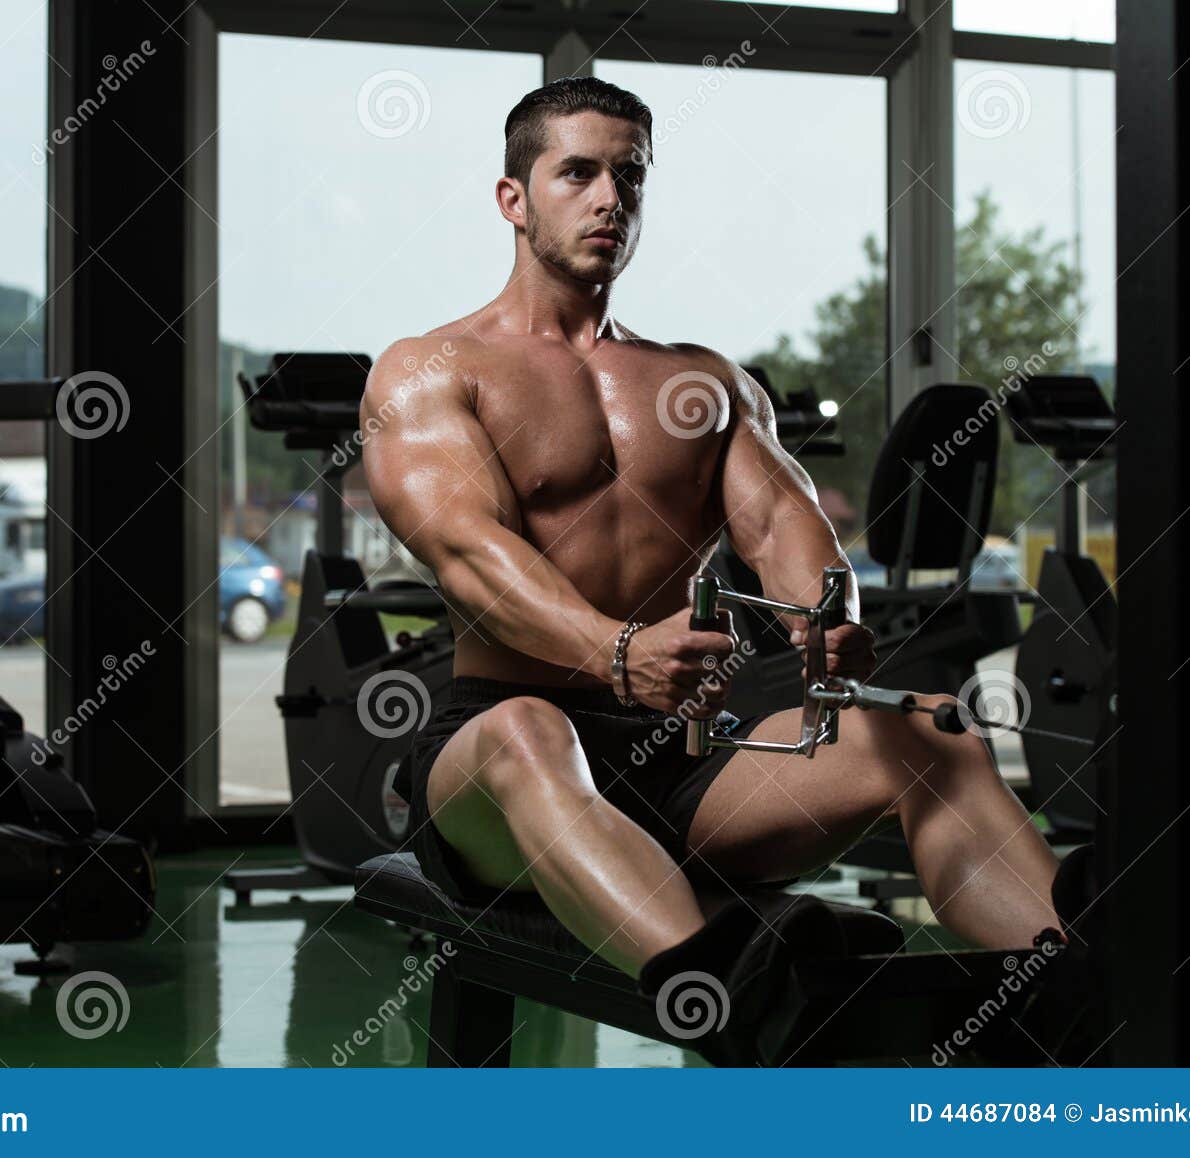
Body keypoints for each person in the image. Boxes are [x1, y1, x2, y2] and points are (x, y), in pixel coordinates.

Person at [361, 76, 1065, 1065]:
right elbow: (469, 554)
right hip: (499, 764)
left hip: (684, 764)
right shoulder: (431, 369)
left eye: (629, 176)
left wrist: (826, 617)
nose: (610, 198)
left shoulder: (700, 381)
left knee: (928, 729)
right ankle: (738, 1001)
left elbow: (778, 522)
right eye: (577, 173)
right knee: (528, 731)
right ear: (513, 199)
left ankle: (1079, 989)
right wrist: (616, 653)